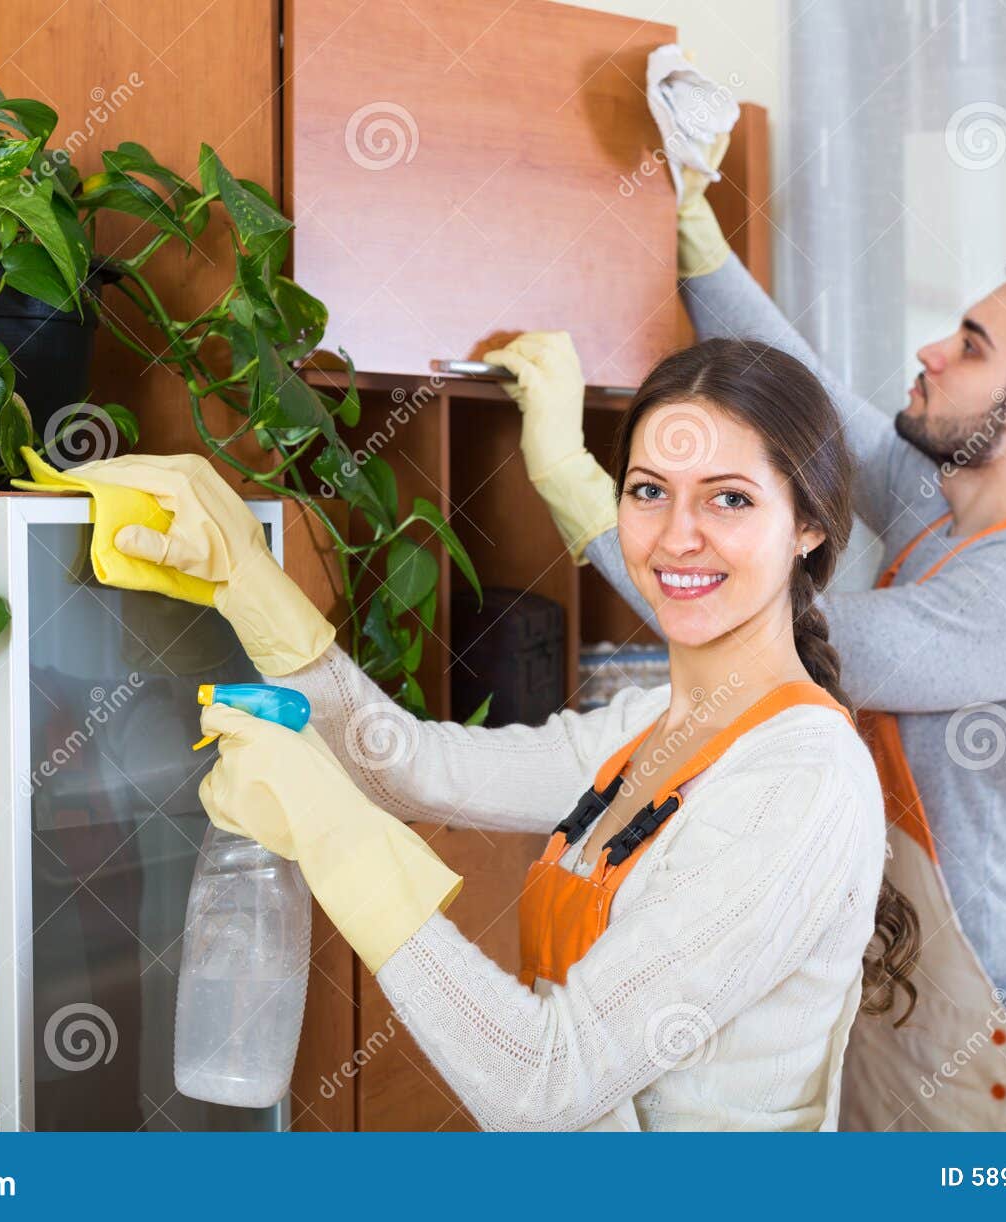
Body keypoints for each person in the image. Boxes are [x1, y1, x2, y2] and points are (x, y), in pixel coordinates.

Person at [68, 339, 914, 1131]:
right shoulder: (650, 730)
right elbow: (408, 770)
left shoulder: (799, 781)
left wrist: (335, 839)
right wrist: (251, 582)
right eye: (649, 490)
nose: (675, 535)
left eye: (729, 498)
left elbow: (543, 1082)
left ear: (809, 525)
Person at [504, 127, 1006, 1130]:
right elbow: (802, 387)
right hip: (899, 972)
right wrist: (694, 228)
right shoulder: (948, 506)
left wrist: (565, 474)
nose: (930, 351)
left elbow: (738, 628)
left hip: (973, 1017)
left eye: (971, 347)